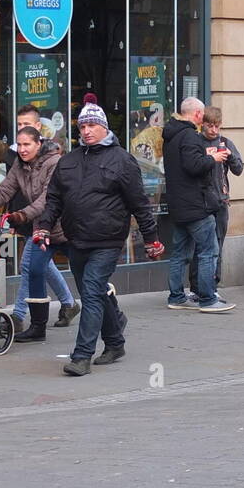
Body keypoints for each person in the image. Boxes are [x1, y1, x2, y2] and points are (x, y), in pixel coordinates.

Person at [35, 103, 164, 376]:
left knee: (92, 291)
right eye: (82, 126)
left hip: (107, 239)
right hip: (76, 238)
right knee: (94, 293)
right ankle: (115, 342)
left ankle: (81, 356)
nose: (87, 131)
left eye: (92, 125)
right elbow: (54, 199)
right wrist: (44, 227)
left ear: (104, 127)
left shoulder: (122, 160)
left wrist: (151, 238)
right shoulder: (68, 161)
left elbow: (139, 203)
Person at [0, 126, 69, 343]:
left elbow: (47, 198)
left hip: (67, 228)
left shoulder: (54, 162)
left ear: (38, 144)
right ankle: (38, 327)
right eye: (19, 145)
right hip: (43, 228)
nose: (22, 149)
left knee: (87, 275)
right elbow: (4, 191)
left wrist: (23, 215)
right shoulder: (20, 166)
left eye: (27, 144)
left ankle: (112, 314)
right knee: (34, 270)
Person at [9, 105, 78, 329]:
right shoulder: (18, 153)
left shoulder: (53, 157)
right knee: (39, 266)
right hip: (30, 218)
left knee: (31, 266)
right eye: (19, 125)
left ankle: (19, 315)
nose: (22, 129)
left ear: (38, 128)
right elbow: (10, 187)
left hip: (51, 222)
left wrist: (23, 215)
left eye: (27, 124)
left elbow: (47, 197)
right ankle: (68, 303)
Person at [164, 97, 235, 313]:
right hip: (196, 205)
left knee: (179, 252)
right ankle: (207, 298)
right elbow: (193, 166)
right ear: (196, 114)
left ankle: (176, 296)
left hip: (177, 204)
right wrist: (213, 159)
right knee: (208, 251)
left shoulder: (170, 135)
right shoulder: (190, 137)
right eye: (202, 115)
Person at [188, 106, 242, 295]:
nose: (213, 130)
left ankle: (214, 285)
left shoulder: (225, 142)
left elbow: (239, 169)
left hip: (220, 201)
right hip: (200, 202)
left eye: (217, 126)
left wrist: (230, 156)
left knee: (218, 245)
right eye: (210, 126)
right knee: (198, 247)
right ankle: (196, 288)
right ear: (203, 124)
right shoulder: (196, 143)